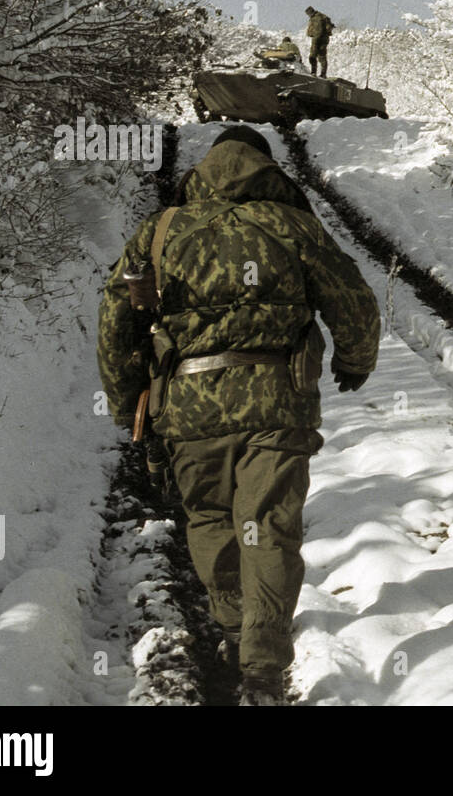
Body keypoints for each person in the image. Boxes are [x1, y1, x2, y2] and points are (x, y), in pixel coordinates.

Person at [97, 125, 381, 704]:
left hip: (189, 406)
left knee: (210, 520)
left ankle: (233, 629)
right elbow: (353, 300)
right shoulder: (292, 226)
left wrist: (130, 406)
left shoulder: (160, 231)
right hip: (277, 402)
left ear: (199, 175)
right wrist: (355, 362)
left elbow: (115, 324)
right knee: (270, 527)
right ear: (269, 171)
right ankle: (263, 670)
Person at [304, 6, 333, 77]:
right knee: (318, 56)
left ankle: (317, 73)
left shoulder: (318, 18)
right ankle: (319, 73)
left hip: (320, 40)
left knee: (316, 56)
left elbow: (319, 31)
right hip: (320, 39)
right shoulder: (320, 17)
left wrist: (315, 41)